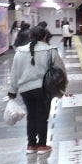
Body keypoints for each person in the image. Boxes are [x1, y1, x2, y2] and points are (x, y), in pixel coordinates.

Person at [7, 22, 60, 153]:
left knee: (31, 116)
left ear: (30, 36)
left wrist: (12, 92)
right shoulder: (50, 50)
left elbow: (14, 73)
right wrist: (61, 90)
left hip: (25, 90)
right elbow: (60, 71)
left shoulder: (19, 52)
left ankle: (31, 145)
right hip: (44, 90)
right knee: (42, 116)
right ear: (45, 36)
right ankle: (42, 145)